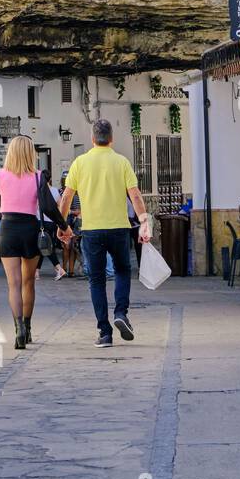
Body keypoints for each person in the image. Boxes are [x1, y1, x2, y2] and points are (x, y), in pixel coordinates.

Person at [58, 119, 151, 347]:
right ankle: (121, 313)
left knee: (96, 280)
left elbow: (67, 197)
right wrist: (144, 221)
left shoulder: (80, 163)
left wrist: (63, 226)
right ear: (111, 139)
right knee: (122, 270)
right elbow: (135, 196)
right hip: (119, 228)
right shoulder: (121, 162)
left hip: (91, 231)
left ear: (92, 139)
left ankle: (104, 332)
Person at [0, 136, 69, 349]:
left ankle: (18, 330)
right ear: (31, 153)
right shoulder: (38, 177)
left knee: (13, 285)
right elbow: (49, 207)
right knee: (28, 283)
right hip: (30, 229)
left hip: (7, 229)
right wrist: (64, 226)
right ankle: (28, 326)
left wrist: (6, 216)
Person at [36, 170, 66, 280]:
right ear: (50, 179)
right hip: (52, 222)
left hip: (40, 222)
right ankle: (36, 272)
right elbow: (60, 206)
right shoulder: (54, 191)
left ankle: (59, 269)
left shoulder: (39, 191)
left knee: (45, 246)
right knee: (42, 246)